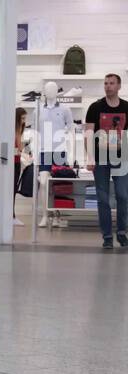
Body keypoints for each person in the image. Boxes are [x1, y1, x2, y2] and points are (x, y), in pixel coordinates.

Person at [85, 73, 128, 249]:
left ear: (119, 86)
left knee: (123, 196)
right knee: (103, 199)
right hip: (100, 158)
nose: (108, 86)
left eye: (111, 83)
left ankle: (122, 233)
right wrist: (89, 157)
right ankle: (108, 236)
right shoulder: (95, 107)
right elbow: (88, 133)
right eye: (105, 83)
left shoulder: (126, 107)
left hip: (121, 157)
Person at [13, 108, 27, 227]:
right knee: (12, 191)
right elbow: (19, 148)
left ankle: (12, 216)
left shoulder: (18, 130)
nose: (24, 121)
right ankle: (11, 216)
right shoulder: (14, 130)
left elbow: (20, 148)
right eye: (22, 118)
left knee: (13, 190)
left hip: (16, 162)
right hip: (12, 163)